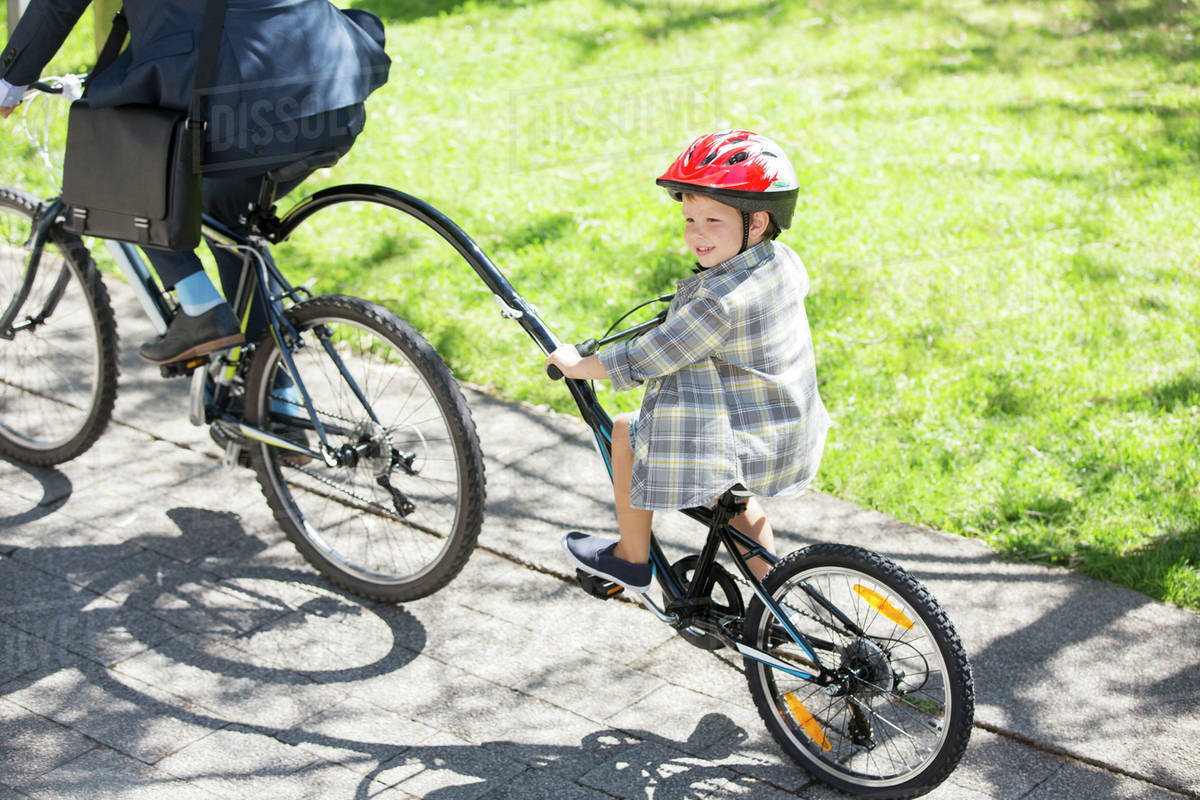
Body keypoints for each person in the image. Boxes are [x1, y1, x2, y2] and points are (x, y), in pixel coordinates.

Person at [0, 0, 390, 364]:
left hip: (238, 104)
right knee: (229, 219)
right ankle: (271, 397)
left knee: (111, 157)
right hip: (330, 84)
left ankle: (200, 306)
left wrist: (8, 83)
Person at [546, 129, 831, 592]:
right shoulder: (782, 261)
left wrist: (577, 365)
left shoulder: (719, 302)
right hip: (785, 431)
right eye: (689, 219)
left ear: (756, 222)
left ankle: (631, 559)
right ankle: (776, 602)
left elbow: (648, 357)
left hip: (744, 443)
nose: (696, 234)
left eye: (712, 221)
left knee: (625, 431)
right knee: (735, 503)